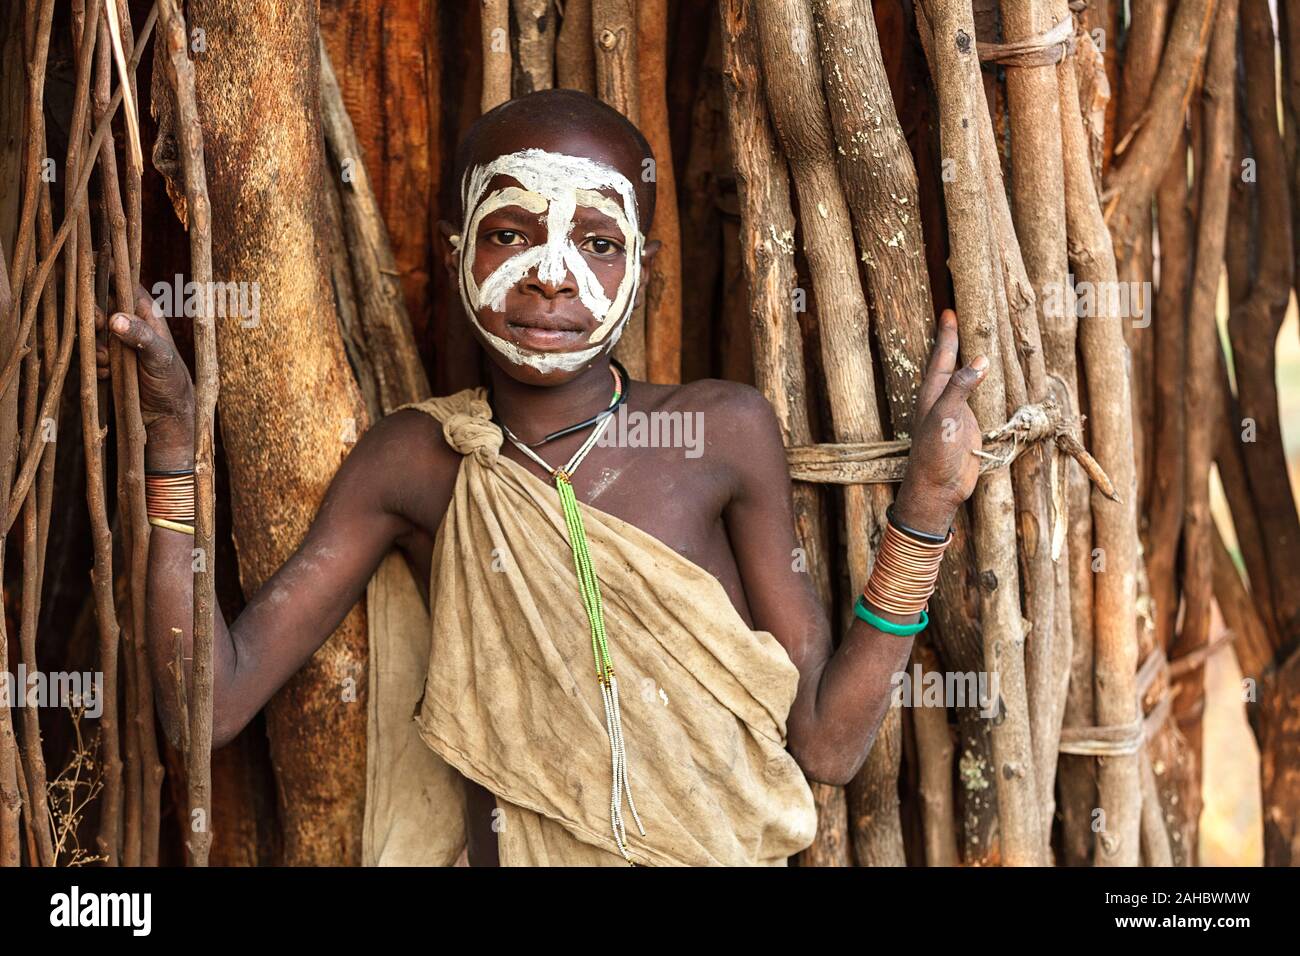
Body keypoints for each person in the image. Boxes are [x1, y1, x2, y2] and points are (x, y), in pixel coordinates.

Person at [97, 88, 988, 866]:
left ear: (641, 266)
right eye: (511, 233)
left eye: (598, 242)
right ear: (457, 253)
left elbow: (829, 746)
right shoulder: (416, 459)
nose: (553, 276)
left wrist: (927, 508)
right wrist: (174, 449)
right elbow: (206, 707)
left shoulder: (721, 433)